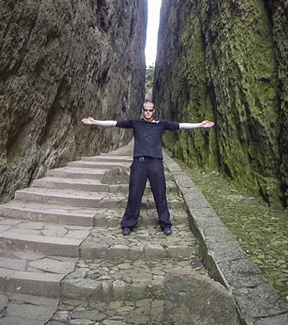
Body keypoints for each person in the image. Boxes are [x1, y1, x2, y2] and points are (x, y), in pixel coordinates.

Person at [82, 101, 214, 236]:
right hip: (139, 164)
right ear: (142, 110)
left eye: (150, 110)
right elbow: (115, 123)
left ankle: (165, 223)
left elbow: (181, 126)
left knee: (160, 193)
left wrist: (200, 125)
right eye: (146, 110)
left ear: (154, 111)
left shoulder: (161, 124)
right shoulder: (135, 123)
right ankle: (128, 224)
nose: (148, 113)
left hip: (156, 163)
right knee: (134, 194)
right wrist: (95, 121)